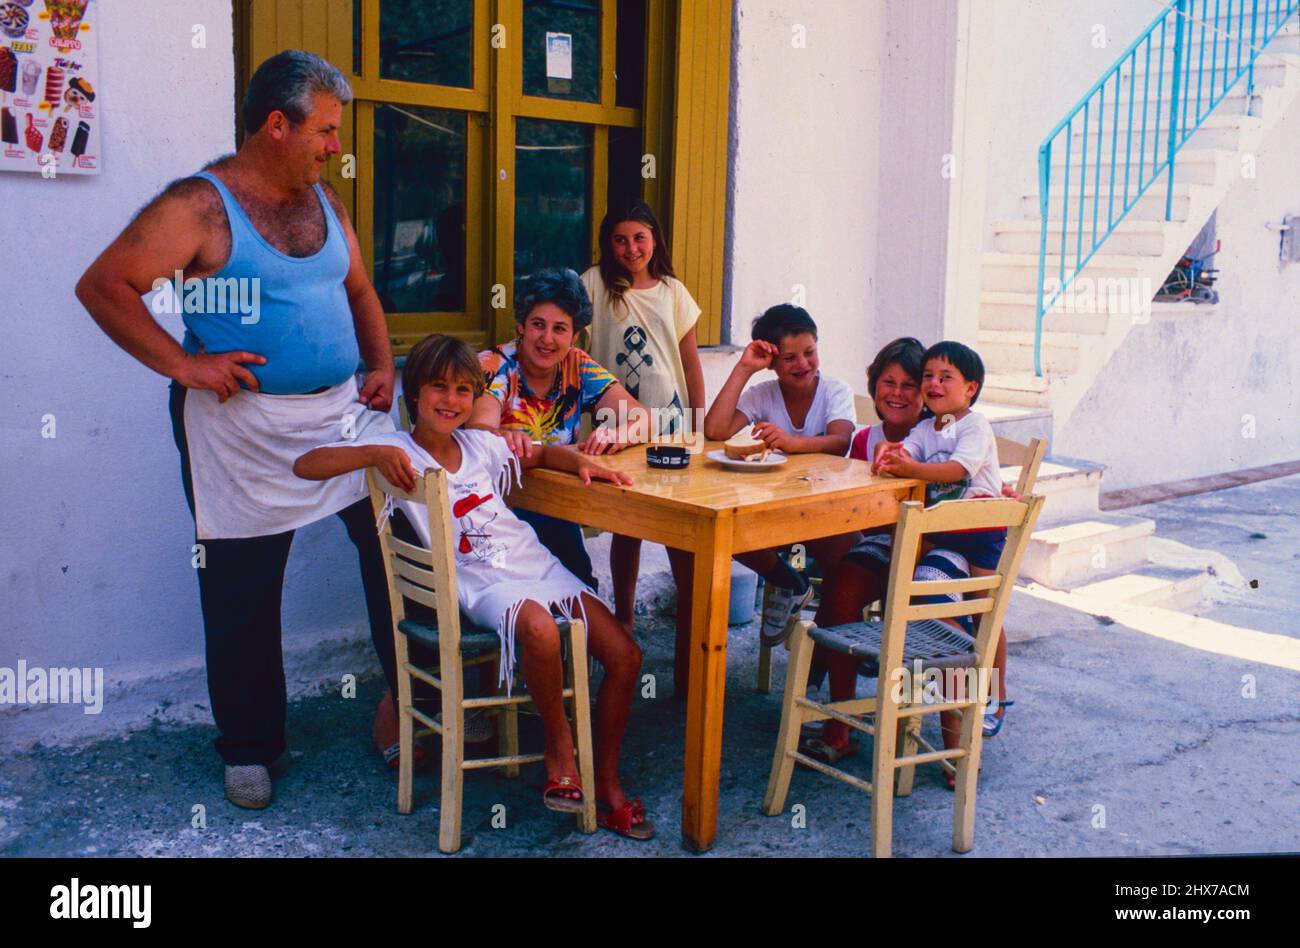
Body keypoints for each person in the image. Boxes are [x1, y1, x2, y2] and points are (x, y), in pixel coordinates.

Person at [75, 50, 400, 809]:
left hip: (341, 417)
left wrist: (380, 363)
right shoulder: (201, 206)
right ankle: (251, 747)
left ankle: (413, 709)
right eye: (324, 130)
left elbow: (360, 291)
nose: (334, 146)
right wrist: (183, 367)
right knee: (242, 592)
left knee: (395, 557)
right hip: (241, 430)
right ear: (276, 125)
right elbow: (105, 286)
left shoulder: (327, 203)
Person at [294, 334, 656, 839]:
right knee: (541, 631)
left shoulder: (481, 445)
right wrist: (372, 451)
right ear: (414, 393)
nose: (451, 400)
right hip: (481, 583)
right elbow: (306, 464)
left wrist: (583, 463)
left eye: (464, 390)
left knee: (626, 656)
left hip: (533, 565)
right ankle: (561, 750)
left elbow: (545, 456)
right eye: (439, 387)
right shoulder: (398, 448)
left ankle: (606, 777)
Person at [468, 267, 651, 588]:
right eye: (538, 325)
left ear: (574, 335)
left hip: (555, 509)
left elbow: (642, 417)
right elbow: (480, 433)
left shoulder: (576, 365)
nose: (548, 338)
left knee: (582, 590)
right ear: (521, 326)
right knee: (551, 594)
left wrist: (617, 433)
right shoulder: (496, 365)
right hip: (494, 514)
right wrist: (502, 436)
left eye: (560, 328)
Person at [581, 200, 706, 646]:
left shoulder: (673, 291)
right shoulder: (595, 286)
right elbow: (572, 350)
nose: (631, 248)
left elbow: (690, 364)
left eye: (639, 238)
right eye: (621, 239)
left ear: (655, 240)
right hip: (618, 428)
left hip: (671, 426)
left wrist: (697, 423)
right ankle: (624, 618)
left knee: (679, 525)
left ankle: (692, 625)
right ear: (607, 244)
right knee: (627, 524)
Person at [703, 305, 860, 649]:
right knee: (725, 530)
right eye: (789, 358)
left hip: (825, 510)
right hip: (775, 512)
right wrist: (744, 369)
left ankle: (830, 650)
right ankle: (788, 581)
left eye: (809, 353)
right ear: (771, 362)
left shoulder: (834, 390)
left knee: (851, 559)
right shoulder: (764, 394)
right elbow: (714, 430)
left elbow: (840, 440)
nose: (802, 364)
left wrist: (791, 443)